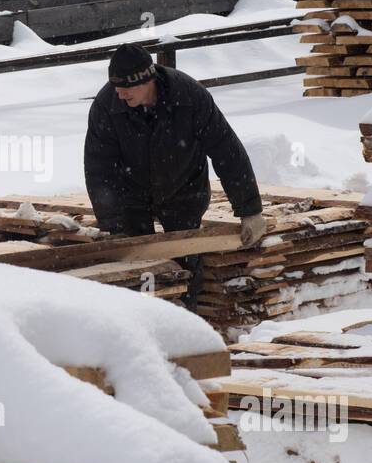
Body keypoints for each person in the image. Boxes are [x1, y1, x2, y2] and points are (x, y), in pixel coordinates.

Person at [83, 42, 266, 306]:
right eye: (116, 89)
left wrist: (250, 209)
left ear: (147, 79)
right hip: (131, 195)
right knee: (138, 269)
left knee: (186, 270)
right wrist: (114, 224)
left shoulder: (190, 97)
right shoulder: (106, 106)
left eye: (126, 88)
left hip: (184, 189)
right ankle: (147, 326)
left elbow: (226, 150)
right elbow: (99, 168)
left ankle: (187, 323)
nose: (120, 95)